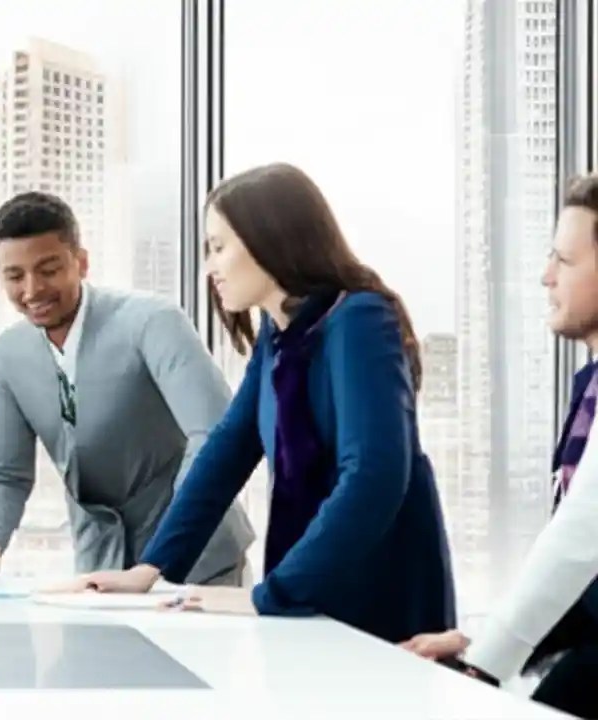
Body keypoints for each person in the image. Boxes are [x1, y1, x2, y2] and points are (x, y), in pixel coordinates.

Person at [64, 163, 456, 644]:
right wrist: (151, 568)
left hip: (377, 591)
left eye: (218, 247)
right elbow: (228, 450)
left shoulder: (359, 318)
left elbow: (373, 474)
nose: (210, 268)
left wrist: (270, 594)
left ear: (270, 238)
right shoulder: (278, 334)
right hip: (303, 590)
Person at [0, 191, 254, 580]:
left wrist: (168, 547)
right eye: (15, 276)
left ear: (81, 262)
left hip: (198, 562)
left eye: (48, 270)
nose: (32, 291)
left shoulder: (153, 322)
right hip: (100, 573)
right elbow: (7, 475)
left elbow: (213, 434)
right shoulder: (9, 354)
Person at [401, 174, 598, 718]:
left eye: (564, 259)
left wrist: (486, 659)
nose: (546, 276)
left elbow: (584, 533)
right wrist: (478, 640)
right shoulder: (590, 388)